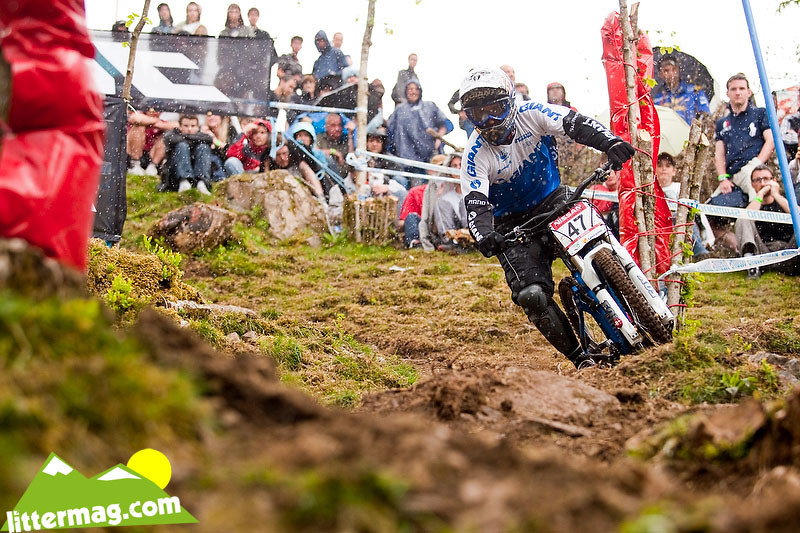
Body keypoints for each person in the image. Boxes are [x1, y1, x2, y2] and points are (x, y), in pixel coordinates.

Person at [457, 67, 635, 369]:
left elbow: (575, 124)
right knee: (531, 296)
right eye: (478, 115)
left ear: (511, 101)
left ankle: (640, 299)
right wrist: (484, 234)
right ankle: (581, 360)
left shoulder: (532, 112)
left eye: (494, 110)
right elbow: (476, 203)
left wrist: (610, 142)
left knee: (601, 243)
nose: (488, 122)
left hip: (553, 200)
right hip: (511, 226)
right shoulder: (474, 155)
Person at [713, 73, 774, 203]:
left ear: (749, 92)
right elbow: (719, 154)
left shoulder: (760, 113)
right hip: (732, 177)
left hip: (754, 170)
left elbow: (771, 141)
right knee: (708, 209)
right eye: (733, 89)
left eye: (741, 88)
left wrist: (756, 164)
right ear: (727, 93)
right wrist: (723, 178)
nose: (738, 92)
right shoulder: (722, 123)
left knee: (756, 204)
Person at [735, 164, 798, 278]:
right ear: (752, 184)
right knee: (742, 220)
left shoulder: (786, 200)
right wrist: (759, 195)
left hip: (790, 252)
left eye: (766, 179)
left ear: (774, 180)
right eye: (758, 180)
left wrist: (776, 195)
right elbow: (745, 218)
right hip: (762, 254)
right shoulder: (752, 204)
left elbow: (798, 215)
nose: (763, 183)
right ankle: (752, 266)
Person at [386, 79, 451, 184]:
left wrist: (439, 137)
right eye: (410, 89)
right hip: (409, 157)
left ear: (420, 91)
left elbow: (445, 124)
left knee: (435, 185)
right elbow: (390, 130)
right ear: (406, 91)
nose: (413, 92)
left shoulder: (430, 106)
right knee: (416, 187)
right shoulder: (400, 110)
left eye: (416, 89)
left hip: (430, 154)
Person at [161, 114, 213, 194]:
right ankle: (184, 181)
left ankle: (201, 182)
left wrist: (186, 137)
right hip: (175, 172)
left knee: (203, 147)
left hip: (196, 167)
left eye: (193, 126)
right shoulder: (172, 135)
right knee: (182, 146)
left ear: (197, 127)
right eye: (186, 126)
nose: (189, 129)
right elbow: (169, 139)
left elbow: (209, 139)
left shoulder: (203, 136)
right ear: (180, 126)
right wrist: (192, 138)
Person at [651, 56, 710, 125]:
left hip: (688, 133)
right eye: (666, 71)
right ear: (660, 74)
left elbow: (705, 116)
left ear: (678, 70)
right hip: (665, 134)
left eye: (674, 69)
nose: (671, 73)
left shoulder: (694, 91)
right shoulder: (656, 98)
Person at [215, 4, 254, 99]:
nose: (233, 14)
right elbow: (220, 54)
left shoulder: (247, 31)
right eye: (231, 12)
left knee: (242, 98)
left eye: (236, 12)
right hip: (228, 69)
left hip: (244, 70)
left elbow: (252, 50)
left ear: (240, 14)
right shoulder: (223, 33)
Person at [127, 109, 177, 175]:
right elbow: (135, 118)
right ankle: (134, 164)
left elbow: (177, 126)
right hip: (134, 152)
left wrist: (151, 123)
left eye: (157, 110)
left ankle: (153, 166)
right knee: (138, 127)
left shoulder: (162, 121)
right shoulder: (139, 114)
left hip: (152, 154)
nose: (155, 113)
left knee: (166, 136)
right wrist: (155, 122)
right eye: (152, 110)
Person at [588, 167, 620, 238]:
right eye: (608, 173)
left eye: (613, 172)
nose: (610, 176)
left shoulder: (626, 192)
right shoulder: (597, 190)